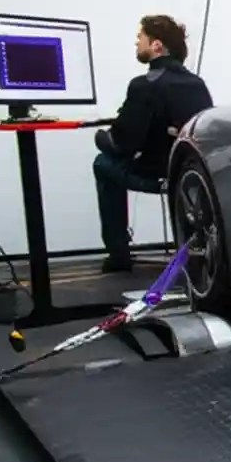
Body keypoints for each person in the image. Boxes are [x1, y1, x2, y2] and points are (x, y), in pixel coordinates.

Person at [93, 14, 213, 272]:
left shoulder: (143, 85)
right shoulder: (197, 84)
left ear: (157, 46)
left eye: (140, 38)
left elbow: (122, 144)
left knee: (102, 163)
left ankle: (118, 255)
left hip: (154, 174)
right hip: (188, 178)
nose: (136, 44)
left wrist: (100, 136)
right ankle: (195, 253)